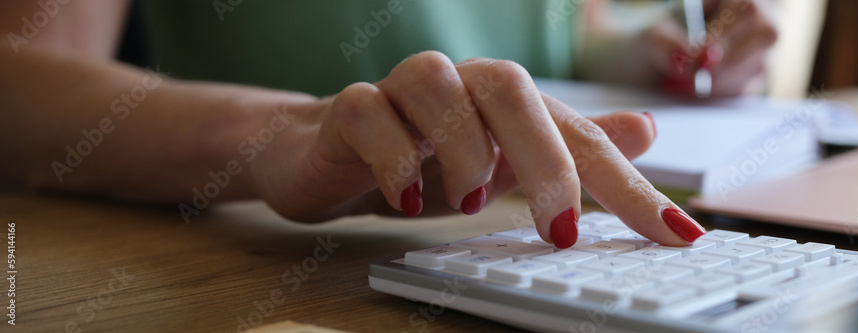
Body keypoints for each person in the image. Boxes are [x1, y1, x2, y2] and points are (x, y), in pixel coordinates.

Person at [0, 0, 776, 249]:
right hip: (269, 267)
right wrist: (276, 138)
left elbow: (565, 22)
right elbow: (19, 78)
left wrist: (648, 54)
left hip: (517, 237)